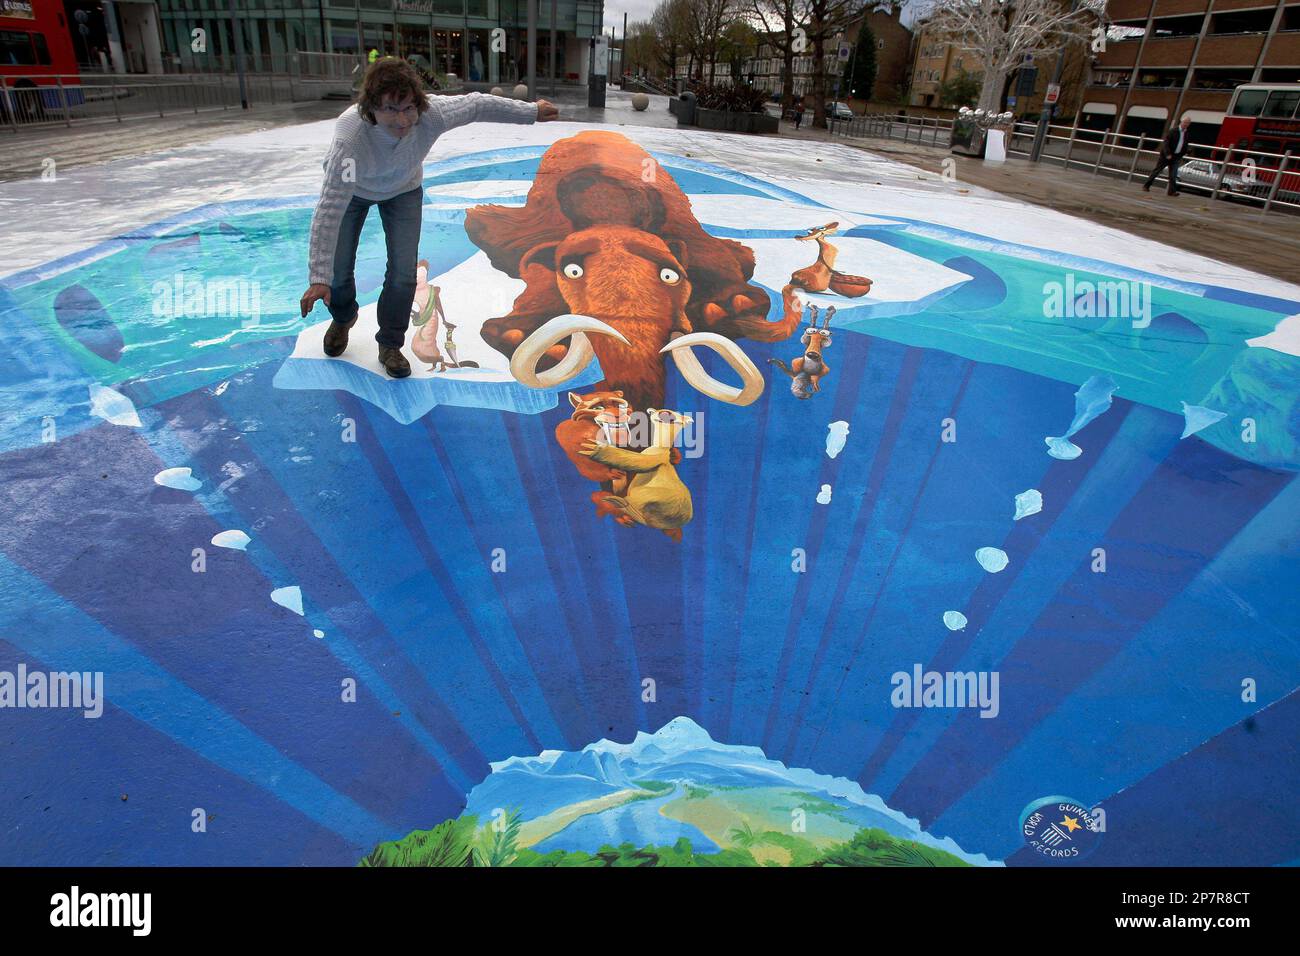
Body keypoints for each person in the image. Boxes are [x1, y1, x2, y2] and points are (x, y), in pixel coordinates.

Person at [299, 58, 559, 377]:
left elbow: (476, 105)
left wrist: (530, 111)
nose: (402, 119)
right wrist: (318, 276)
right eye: (390, 110)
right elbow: (329, 209)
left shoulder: (430, 115)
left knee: (403, 272)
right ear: (371, 108)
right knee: (337, 271)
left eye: (408, 108)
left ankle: (390, 343)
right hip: (354, 190)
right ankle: (343, 317)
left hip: (403, 189)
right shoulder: (352, 138)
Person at [1142, 115, 1192, 197]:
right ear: (1181, 122)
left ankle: (1171, 191)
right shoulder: (1173, 131)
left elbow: (1184, 144)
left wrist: (1186, 151)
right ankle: (1146, 185)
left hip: (1176, 157)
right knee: (1157, 171)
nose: (1186, 124)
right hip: (1166, 156)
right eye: (1185, 122)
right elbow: (1166, 143)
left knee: (1173, 175)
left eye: (1188, 123)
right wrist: (1167, 154)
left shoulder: (1187, 133)